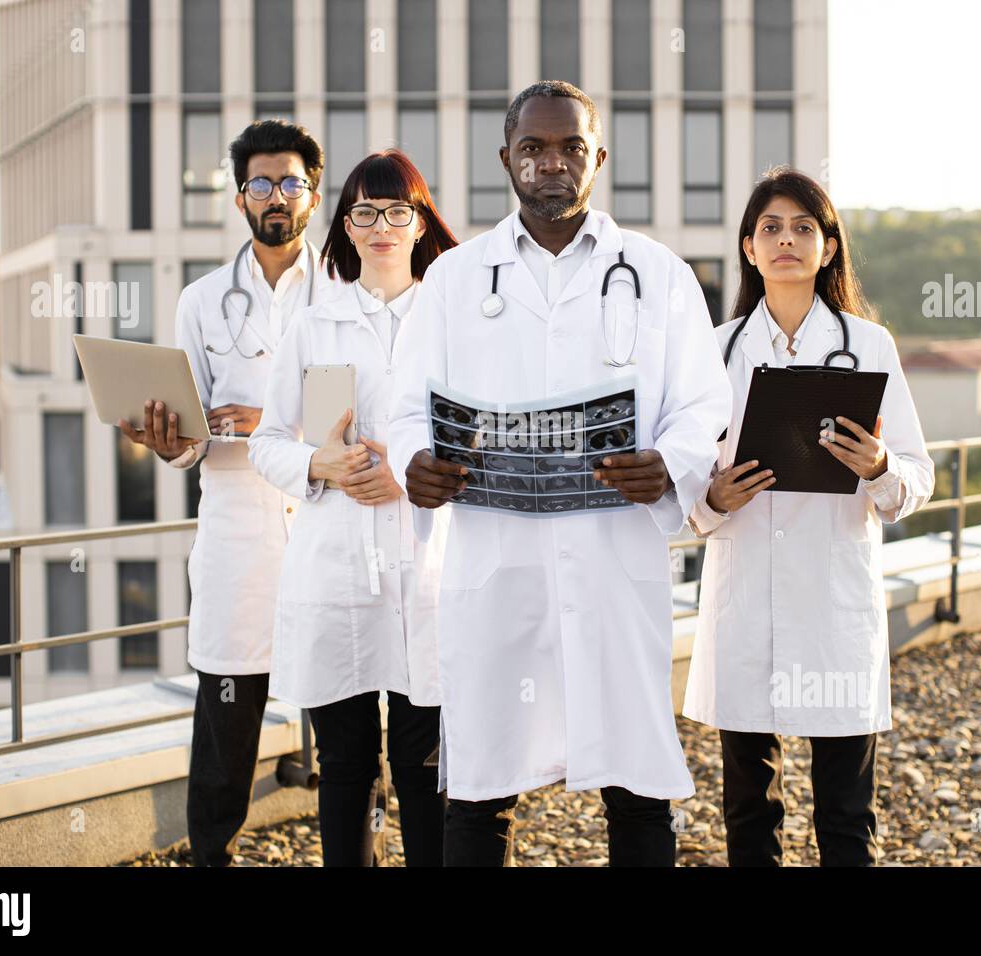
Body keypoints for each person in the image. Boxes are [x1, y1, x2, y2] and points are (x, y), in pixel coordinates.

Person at [387, 81, 732, 867]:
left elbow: (703, 398)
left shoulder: (658, 273)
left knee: (637, 784)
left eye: (571, 147)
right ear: (506, 159)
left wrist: (670, 463)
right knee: (479, 787)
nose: (552, 163)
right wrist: (415, 462)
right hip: (495, 562)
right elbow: (406, 405)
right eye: (534, 148)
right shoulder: (453, 279)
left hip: (612, 560)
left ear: (598, 158)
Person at [682, 166, 935, 866]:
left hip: (833, 601)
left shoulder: (870, 347)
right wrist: (712, 499)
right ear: (748, 248)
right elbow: (684, 481)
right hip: (746, 596)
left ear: (828, 247)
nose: (786, 240)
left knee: (847, 815)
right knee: (747, 808)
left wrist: (880, 468)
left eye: (803, 227)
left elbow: (919, 478)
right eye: (771, 228)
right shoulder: (715, 350)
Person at [116, 119, 330, 867]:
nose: (278, 196)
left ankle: (355, 848)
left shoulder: (343, 292)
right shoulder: (203, 300)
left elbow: (361, 416)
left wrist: (273, 422)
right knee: (226, 717)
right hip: (238, 533)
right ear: (241, 197)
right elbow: (192, 428)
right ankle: (213, 855)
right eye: (262, 183)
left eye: (292, 182)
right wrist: (169, 441)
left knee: (344, 714)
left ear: (313, 192)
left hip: (328, 525)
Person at [248, 150, 459, 866]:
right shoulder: (315, 324)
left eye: (398, 210)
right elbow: (268, 441)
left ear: (420, 221)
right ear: (345, 225)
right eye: (364, 212)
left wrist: (409, 472)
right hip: (336, 570)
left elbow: (482, 435)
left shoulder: (453, 319)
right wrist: (319, 464)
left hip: (428, 567)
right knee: (344, 767)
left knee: (423, 763)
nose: (381, 226)